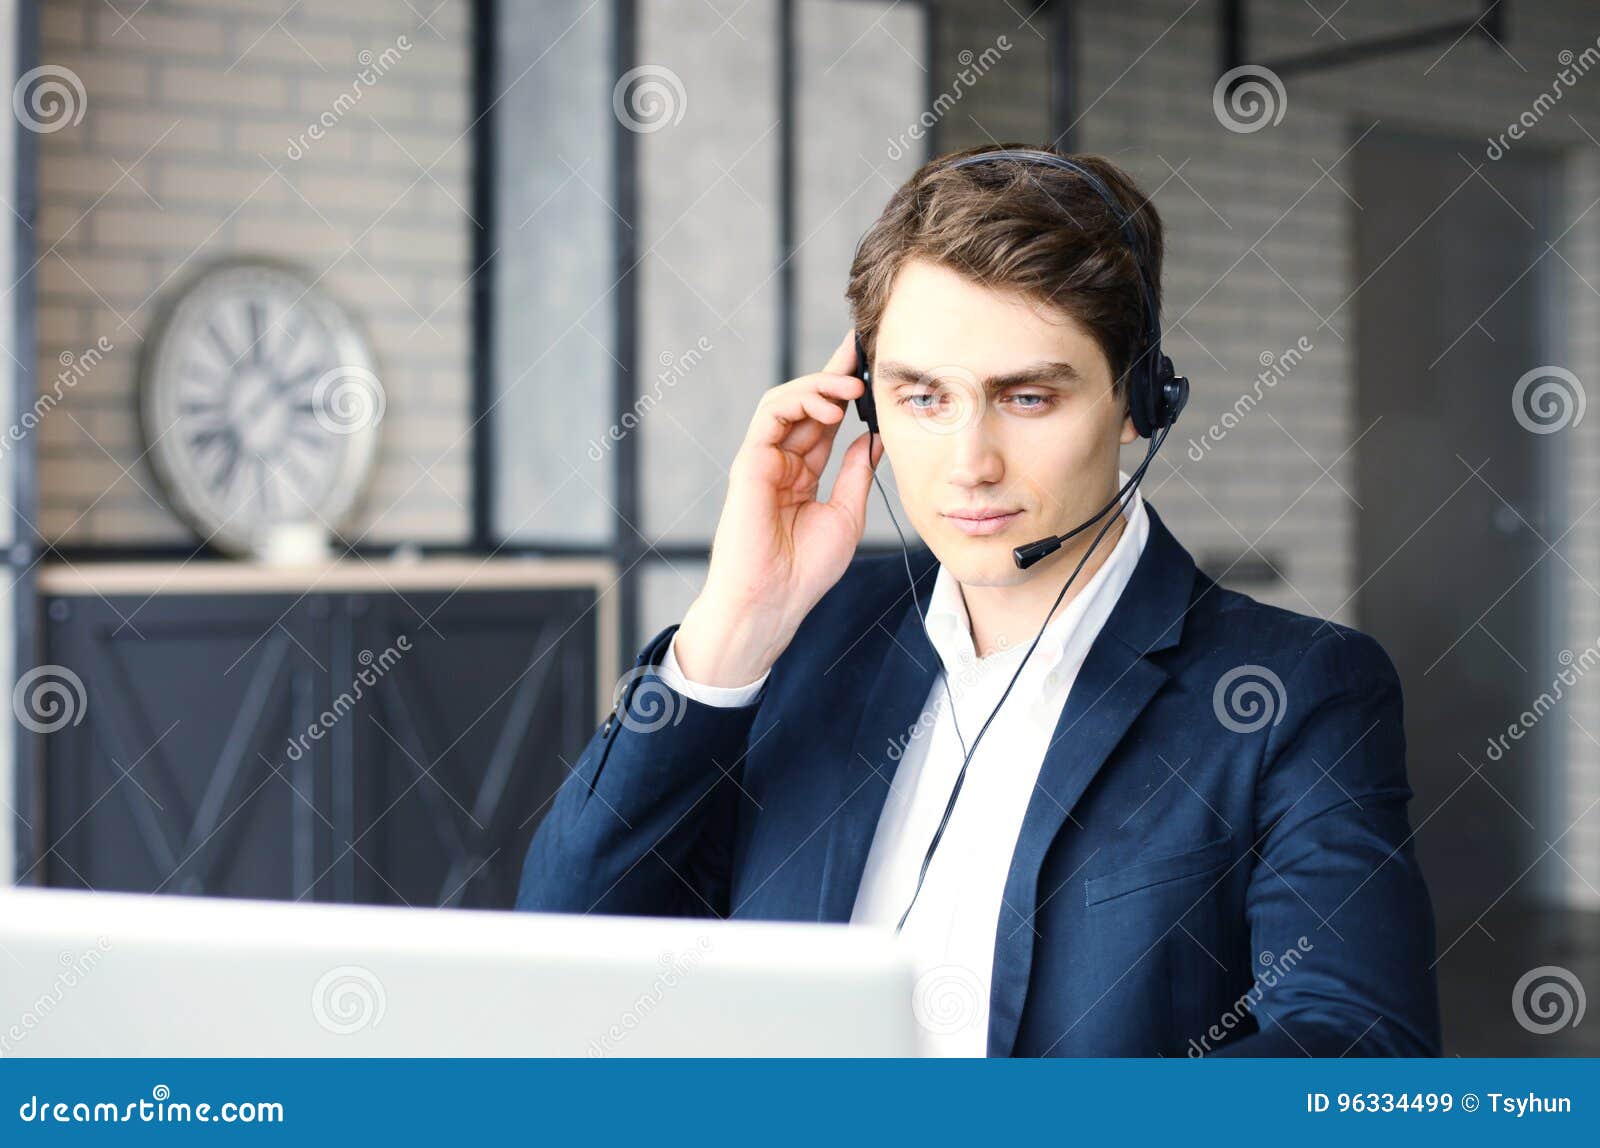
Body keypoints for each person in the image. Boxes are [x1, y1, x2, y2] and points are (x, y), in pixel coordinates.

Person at [516, 143, 1443, 1058]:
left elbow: (1359, 1048)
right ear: (868, 408)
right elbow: (564, 960)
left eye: (1028, 397)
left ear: (1140, 401)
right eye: (923, 398)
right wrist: (733, 627)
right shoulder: (803, 640)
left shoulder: (1294, 692)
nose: (970, 464)